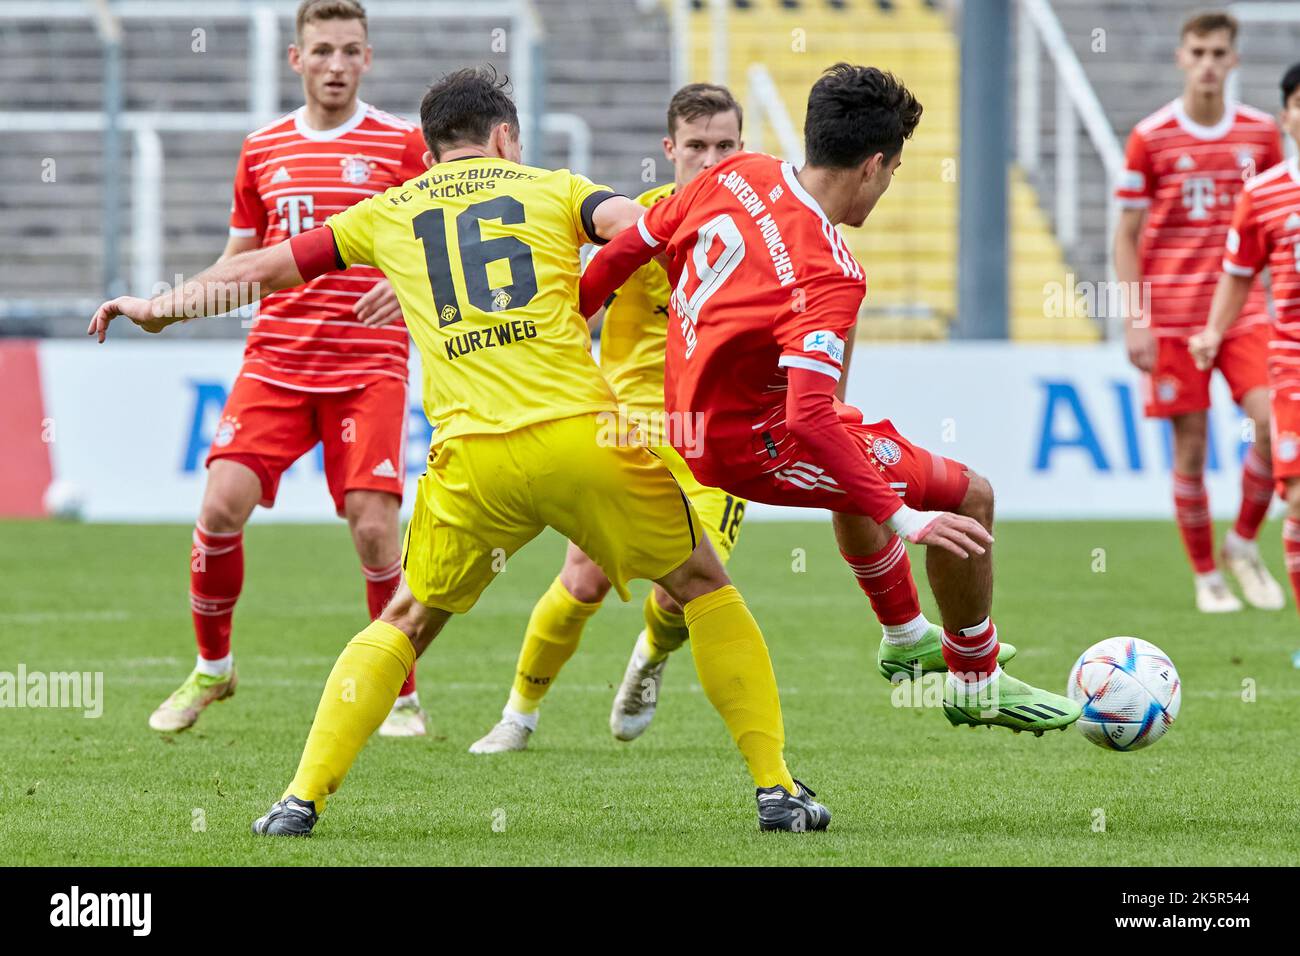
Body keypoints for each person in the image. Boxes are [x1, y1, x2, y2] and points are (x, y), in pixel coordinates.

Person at [90, 66, 829, 835]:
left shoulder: (389, 211)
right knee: (701, 580)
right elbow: (650, 226)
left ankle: (297, 801)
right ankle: (776, 789)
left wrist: (162, 307)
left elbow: (262, 270)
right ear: (504, 136)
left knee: (407, 618)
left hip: (473, 459)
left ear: (427, 147)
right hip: (581, 441)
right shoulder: (553, 189)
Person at [467, 82, 976, 755]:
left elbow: (816, 349)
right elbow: (574, 271)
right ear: (669, 149)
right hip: (631, 425)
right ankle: (519, 714)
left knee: (687, 591)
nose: (710, 157)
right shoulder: (649, 216)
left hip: (715, 432)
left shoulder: (768, 219)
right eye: (697, 146)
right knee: (584, 578)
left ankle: (651, 654)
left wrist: (831, 413)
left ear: (742, 145)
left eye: (725, 145)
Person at [579, 63, 1078, 734]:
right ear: (872, 166)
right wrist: (905, 520)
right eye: (895, 170)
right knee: (970, 496)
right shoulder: (830, 273)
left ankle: (905, 637)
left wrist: (569, 323)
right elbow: (807, 418)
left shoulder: (738, 175)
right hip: (745, 445)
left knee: (849, 445)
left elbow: (631, 244)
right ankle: (975, 678)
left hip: (696, 417)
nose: (889, 184)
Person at [145, 0, 432, 738]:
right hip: (274, 362)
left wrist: (403, 288)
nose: (337, 65)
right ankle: (214, 668)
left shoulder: (403, 143)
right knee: (217, 508)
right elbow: (239, 262)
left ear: (368, 59)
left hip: (368, 366)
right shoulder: (263, 147)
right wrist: (171, 304)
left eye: (351, 51)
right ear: (295, 59)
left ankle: (400, 692)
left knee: (374, 528)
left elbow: (441, 242)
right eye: (324, 50)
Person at [1114, 10, 1284, 613]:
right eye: (1199, 52)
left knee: (1272, 424)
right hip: (1172, 318)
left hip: (1240, 313)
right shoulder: (1151, 135)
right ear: (1181, 57)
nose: (1209, 63)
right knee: (1190, 448)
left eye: (1219, 53)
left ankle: (1242, 542)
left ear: (1234, 59)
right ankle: (1207, 575)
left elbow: (1276, 222)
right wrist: (1136, 319)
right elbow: (1126, 234)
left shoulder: (1261, 134)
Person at [1191, 61, 1300, 618]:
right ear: (1287, 117)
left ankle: (1239, 546)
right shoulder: (1264, 194)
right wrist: (1213, 329)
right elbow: (1238, 272)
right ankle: (1216, 566)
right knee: (1299, 497)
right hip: (1292, 361)